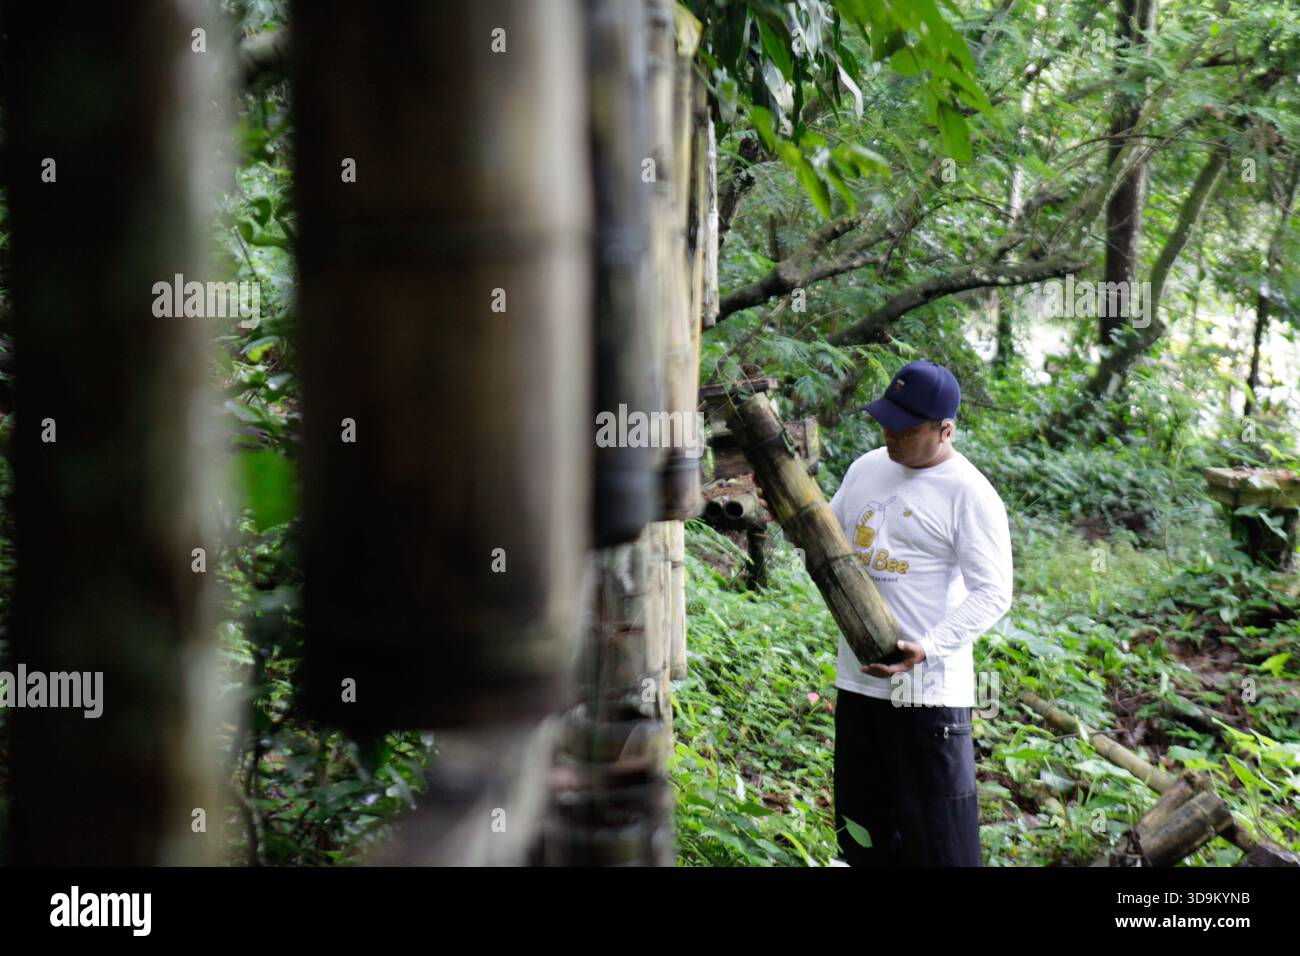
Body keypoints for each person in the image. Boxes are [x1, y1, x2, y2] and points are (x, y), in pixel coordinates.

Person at [764, 359, 1013, 865]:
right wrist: (787, 514)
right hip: (859, 687)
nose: (890, 433)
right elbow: (824, 539)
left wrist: (929, 647)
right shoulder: (866, 467)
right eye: (886, 420)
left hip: (929, 699)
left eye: (905, 426)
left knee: (939, 845)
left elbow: (993, 592)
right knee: (863, 836)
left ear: (945, 429)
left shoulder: (970, 493)